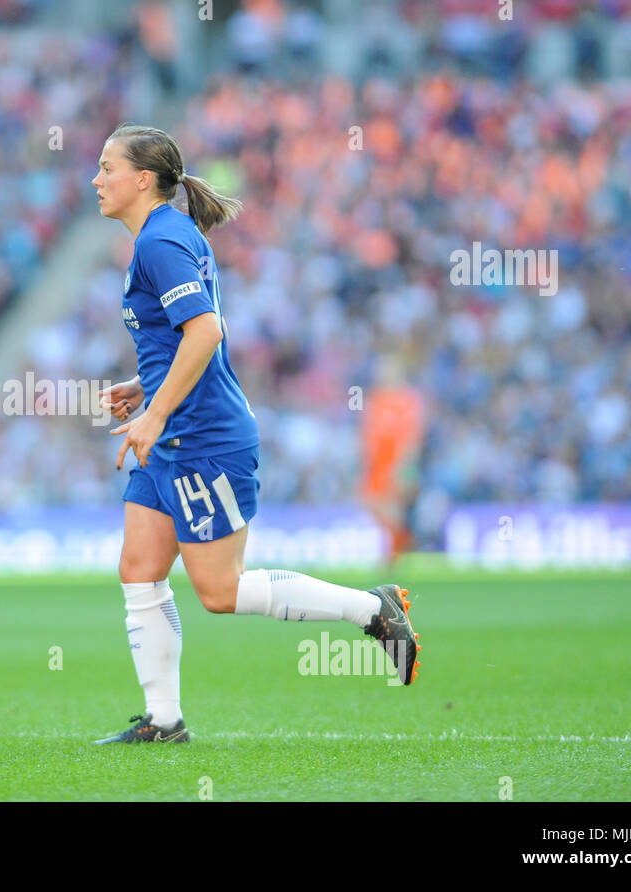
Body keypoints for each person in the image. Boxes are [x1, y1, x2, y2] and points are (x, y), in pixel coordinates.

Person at [90, 124, 421, 744]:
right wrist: (146, 385)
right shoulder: (163, 235)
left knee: (219, 591)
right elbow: (186, 333)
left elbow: (206, 331)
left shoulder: (159, 241)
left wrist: (155, 414)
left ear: (143, 179)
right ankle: (165, 721)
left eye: (108, 168)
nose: (96, 179)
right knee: (139, 568)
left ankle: (373, 609)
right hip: (174, 432)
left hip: (202, 437)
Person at [360, 355, 426, 566]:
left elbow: (412, 438)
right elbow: (367, 433)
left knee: (392, 507)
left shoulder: (408, 400)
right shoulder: (375, 398)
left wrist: (405, 468)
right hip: (376, 464)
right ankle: (403, 546)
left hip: (396, 463)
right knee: (372, 504)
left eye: (387, 368)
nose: (382, 372)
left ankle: (397, 555)